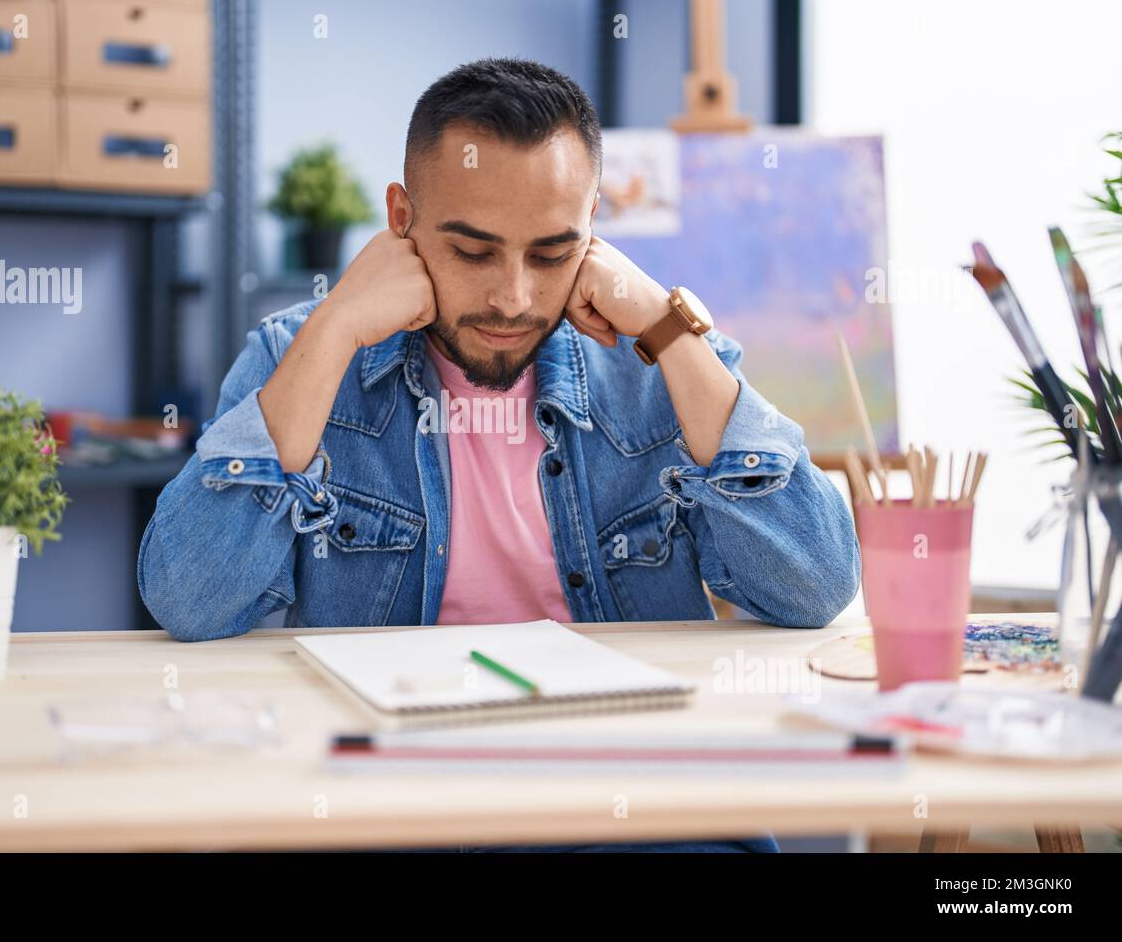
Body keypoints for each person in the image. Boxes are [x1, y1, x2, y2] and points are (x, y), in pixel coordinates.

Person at [139, 58, 861, 853]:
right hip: (388, 809)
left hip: (633, 811)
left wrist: (664, 328)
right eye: (474, 252)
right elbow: (190, 599)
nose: (514, 297)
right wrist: (338, 325)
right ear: (402, 219)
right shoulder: (300, 357)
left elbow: (816, 585)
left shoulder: (658, 358)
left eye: (552, 254)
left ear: (594, 228)